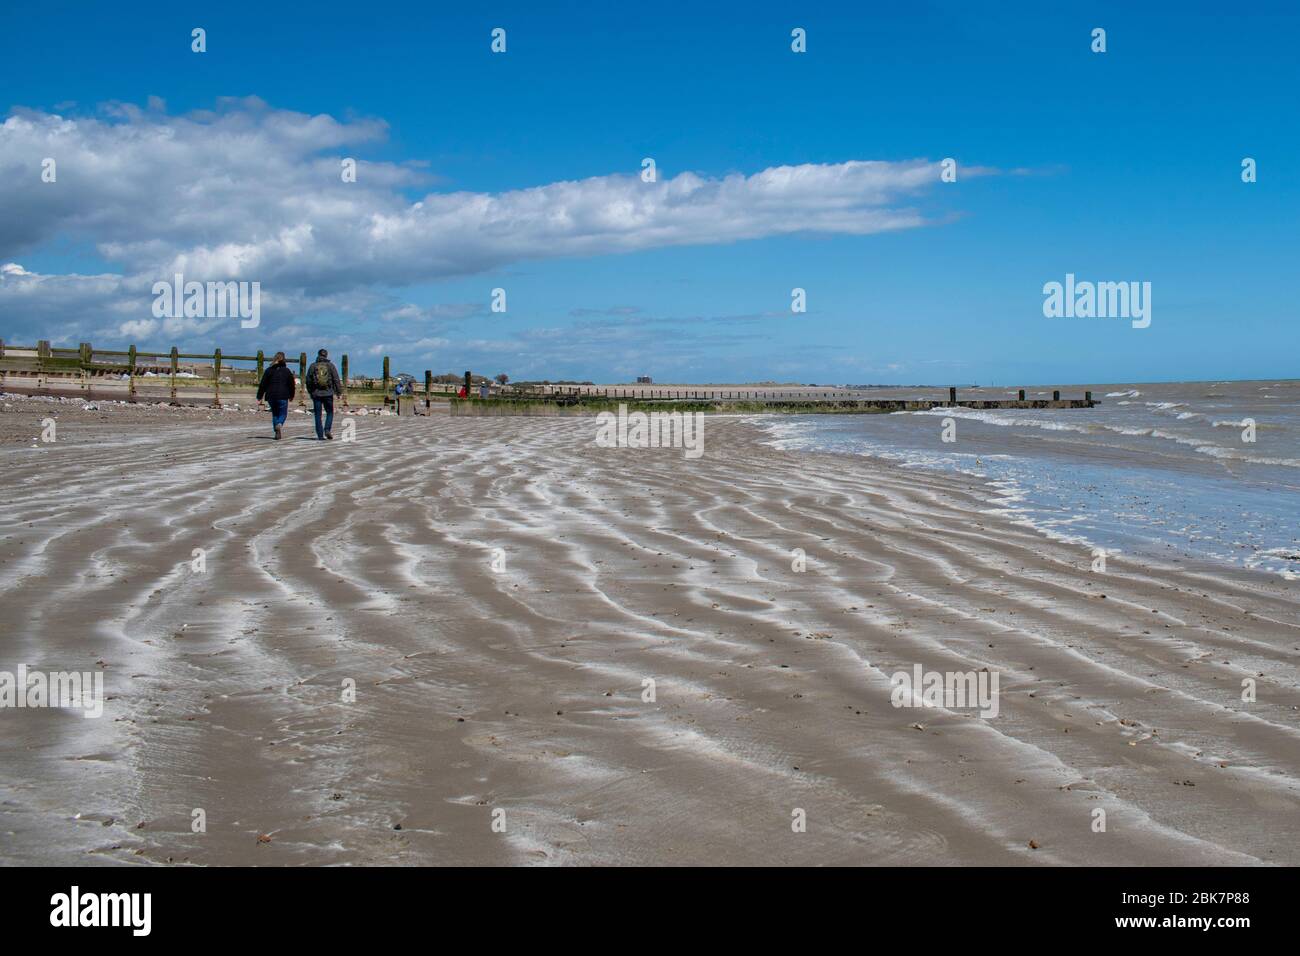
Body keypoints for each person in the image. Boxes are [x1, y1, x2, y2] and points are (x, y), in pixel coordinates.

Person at [304, 348, 343, 440]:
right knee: (329, 412)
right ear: (326, 355)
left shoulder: (313, 366)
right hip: (328, 393)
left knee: (318, 415)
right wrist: (338, 392)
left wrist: (311, 392)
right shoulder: (330, 366)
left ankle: (320, 435)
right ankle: (327, 430)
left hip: (316, 394)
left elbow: (308, 381)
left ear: (318, 355)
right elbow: (336, 379)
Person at [255, 351, 295, 440]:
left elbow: (263, 384)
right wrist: (292, 395)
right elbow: (291, 385)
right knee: (283, 413)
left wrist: (259, 396)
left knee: (275, 414)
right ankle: (279, 424)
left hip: (271, 396)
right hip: (283, 395)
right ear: (284, 360)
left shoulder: (269, 370)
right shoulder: (287, 371)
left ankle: (276, 431)